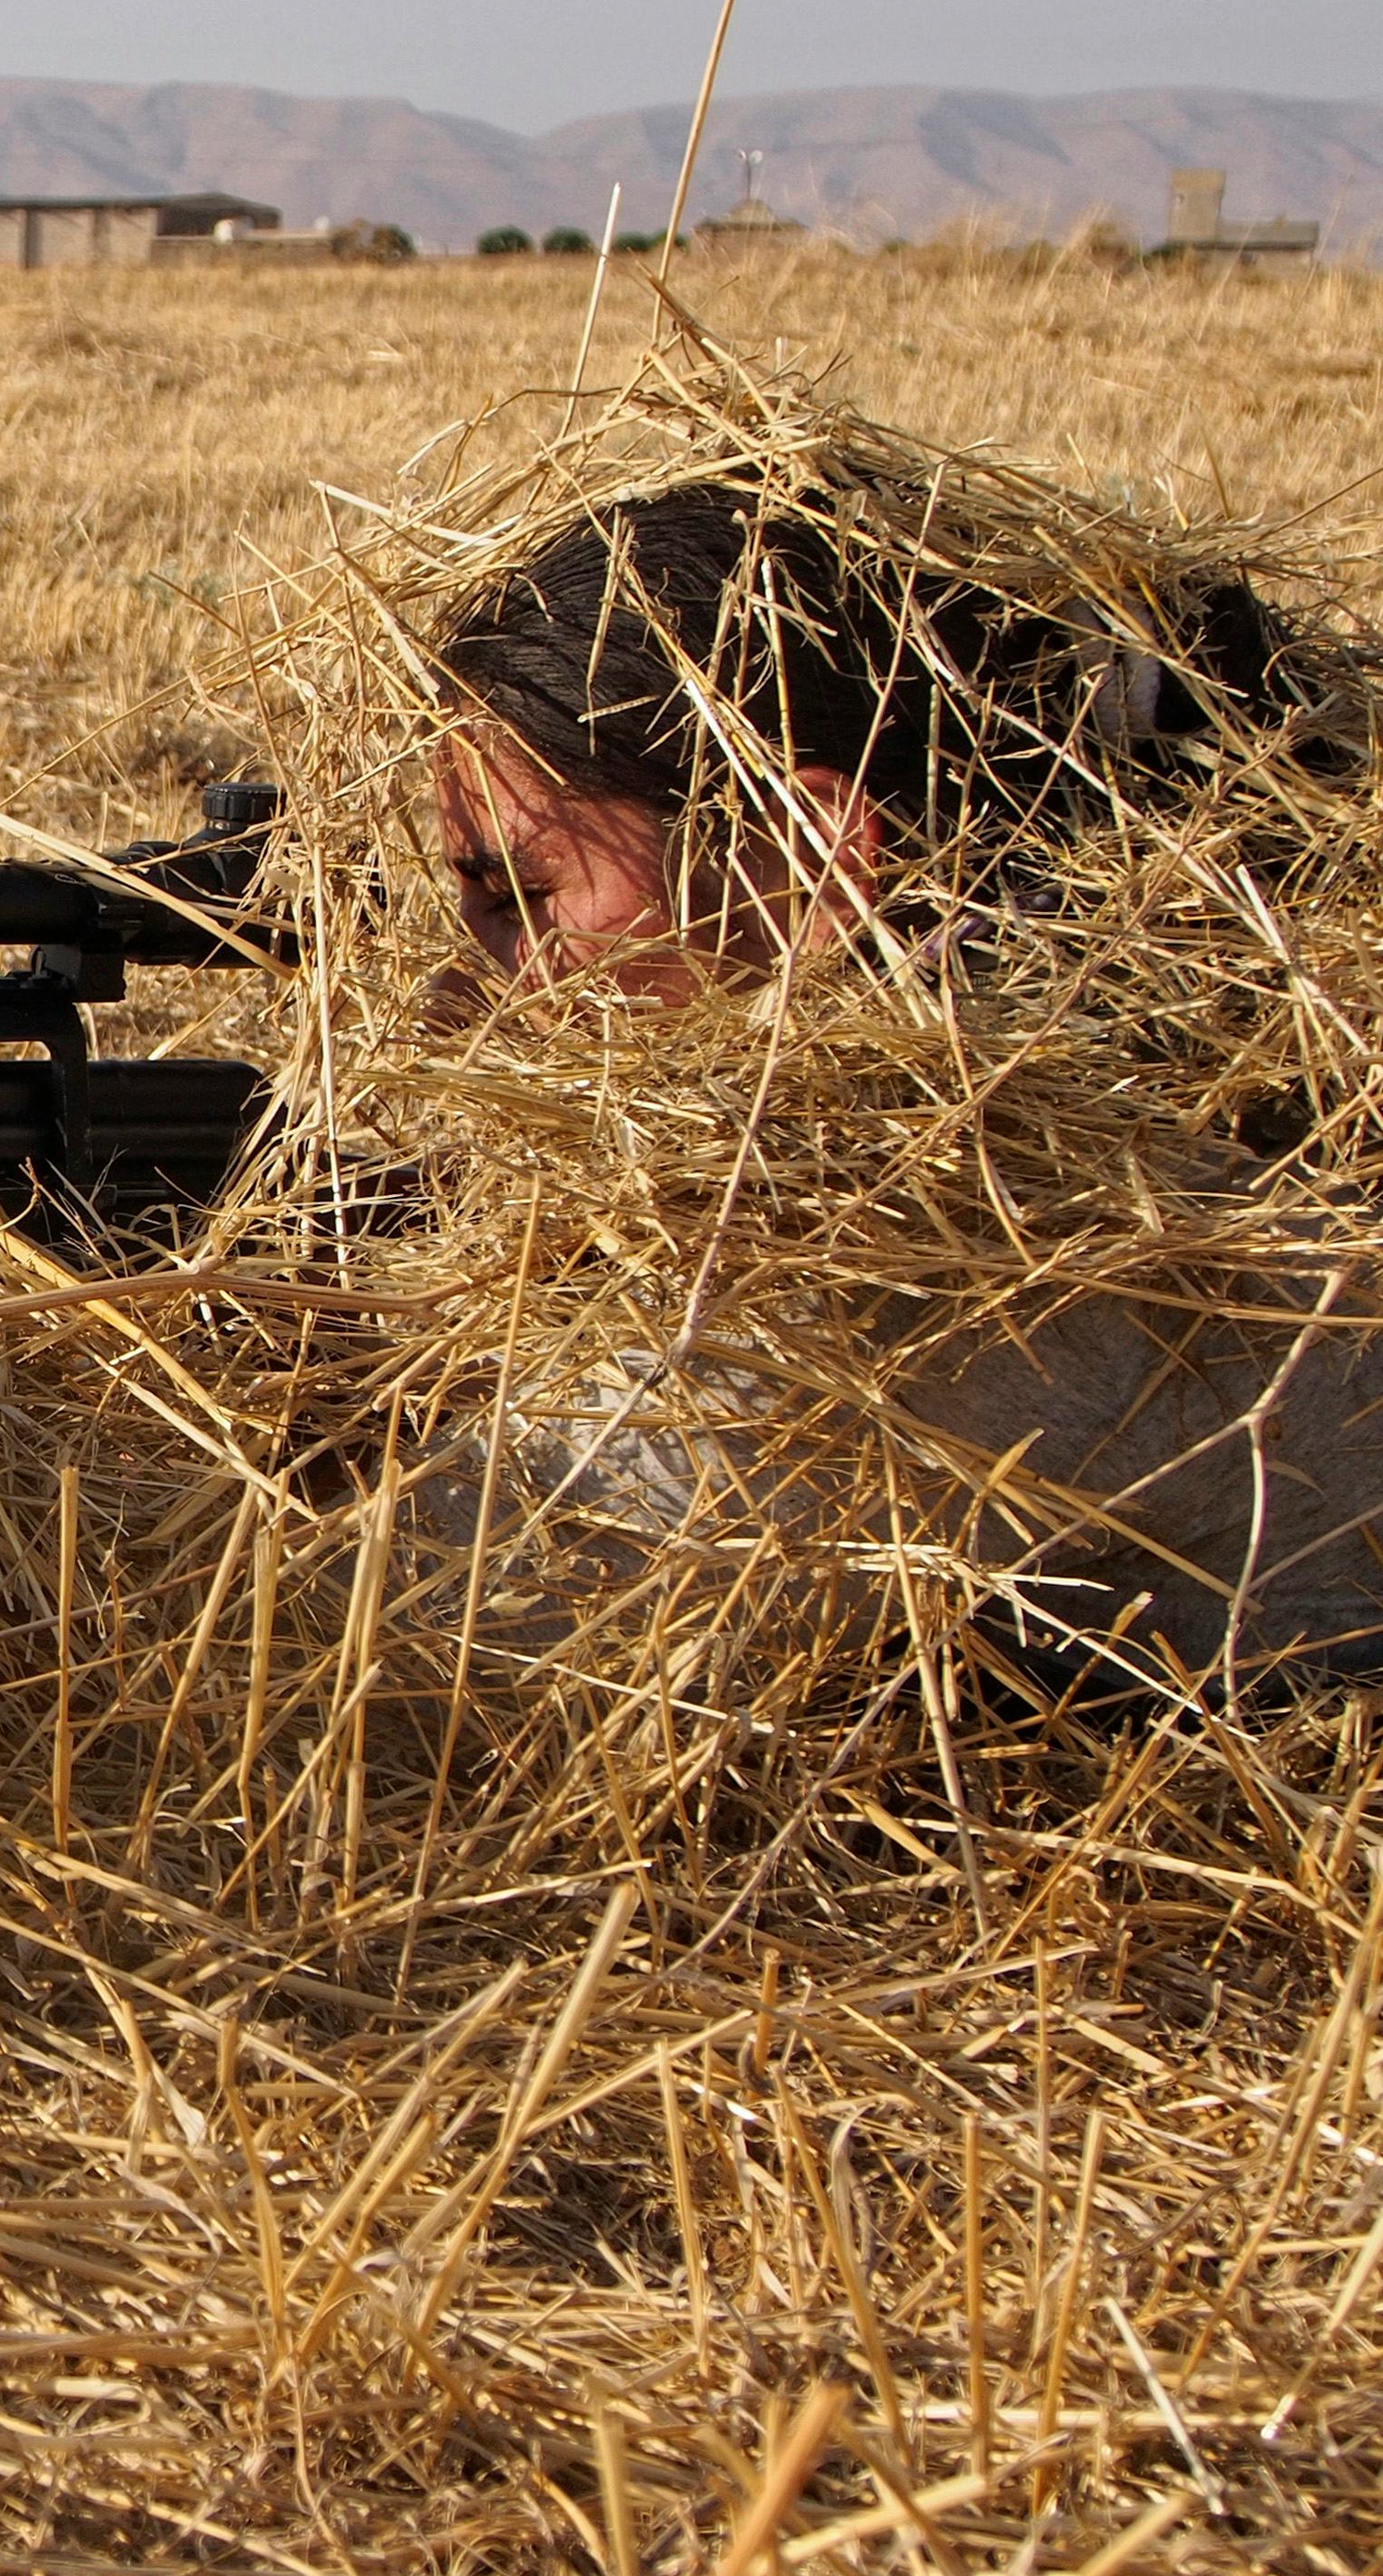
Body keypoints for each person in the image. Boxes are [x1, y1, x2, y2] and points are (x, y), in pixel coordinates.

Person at [414, 477, 1383, 1701]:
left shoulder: (965, 1225)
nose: (477, 979)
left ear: (810, 858)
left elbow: (397, 1633)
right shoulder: (1113, 1034)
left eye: (528, 897)